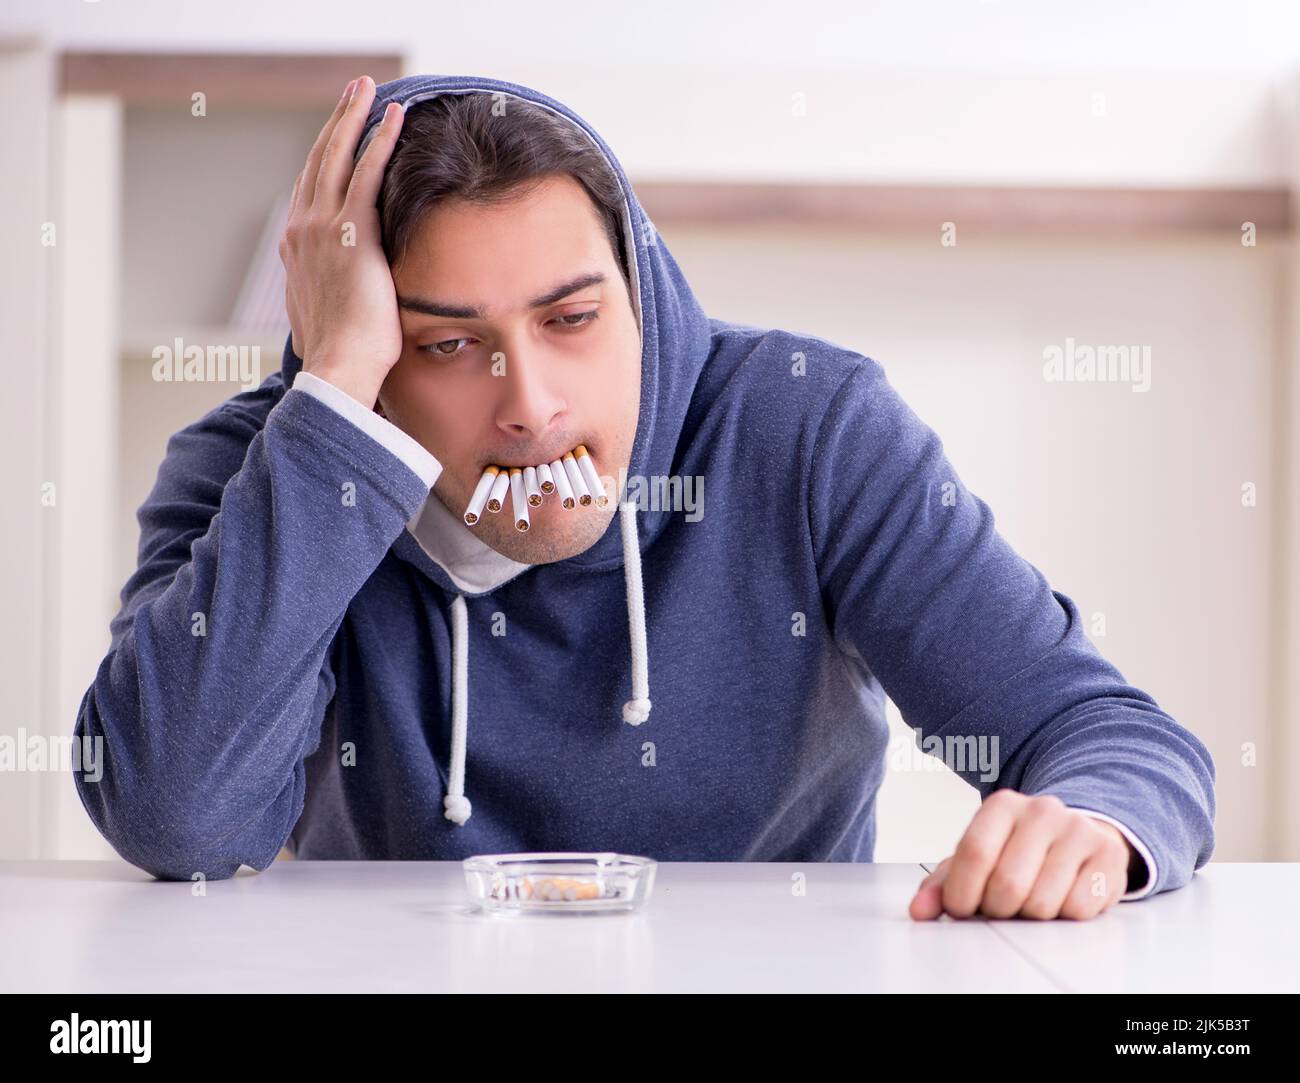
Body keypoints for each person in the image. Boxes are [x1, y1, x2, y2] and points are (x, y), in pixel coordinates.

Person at [73, 72, 1215, 921]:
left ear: (646, 296)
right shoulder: (270, 467)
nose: (530, 405)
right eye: (445, 345)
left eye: (571, 320)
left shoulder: (804, 427)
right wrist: (328, 416)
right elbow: (176, 818)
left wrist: (1092, 827)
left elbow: (1104, 733)